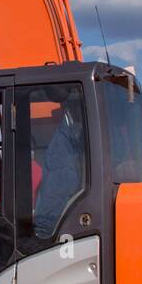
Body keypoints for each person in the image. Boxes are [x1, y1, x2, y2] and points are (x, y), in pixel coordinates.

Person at [33, 93, 85, 240]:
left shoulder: (61, 151)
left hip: (50, 224)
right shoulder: (67, 141)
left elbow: (59, 186)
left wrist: (43, 229)